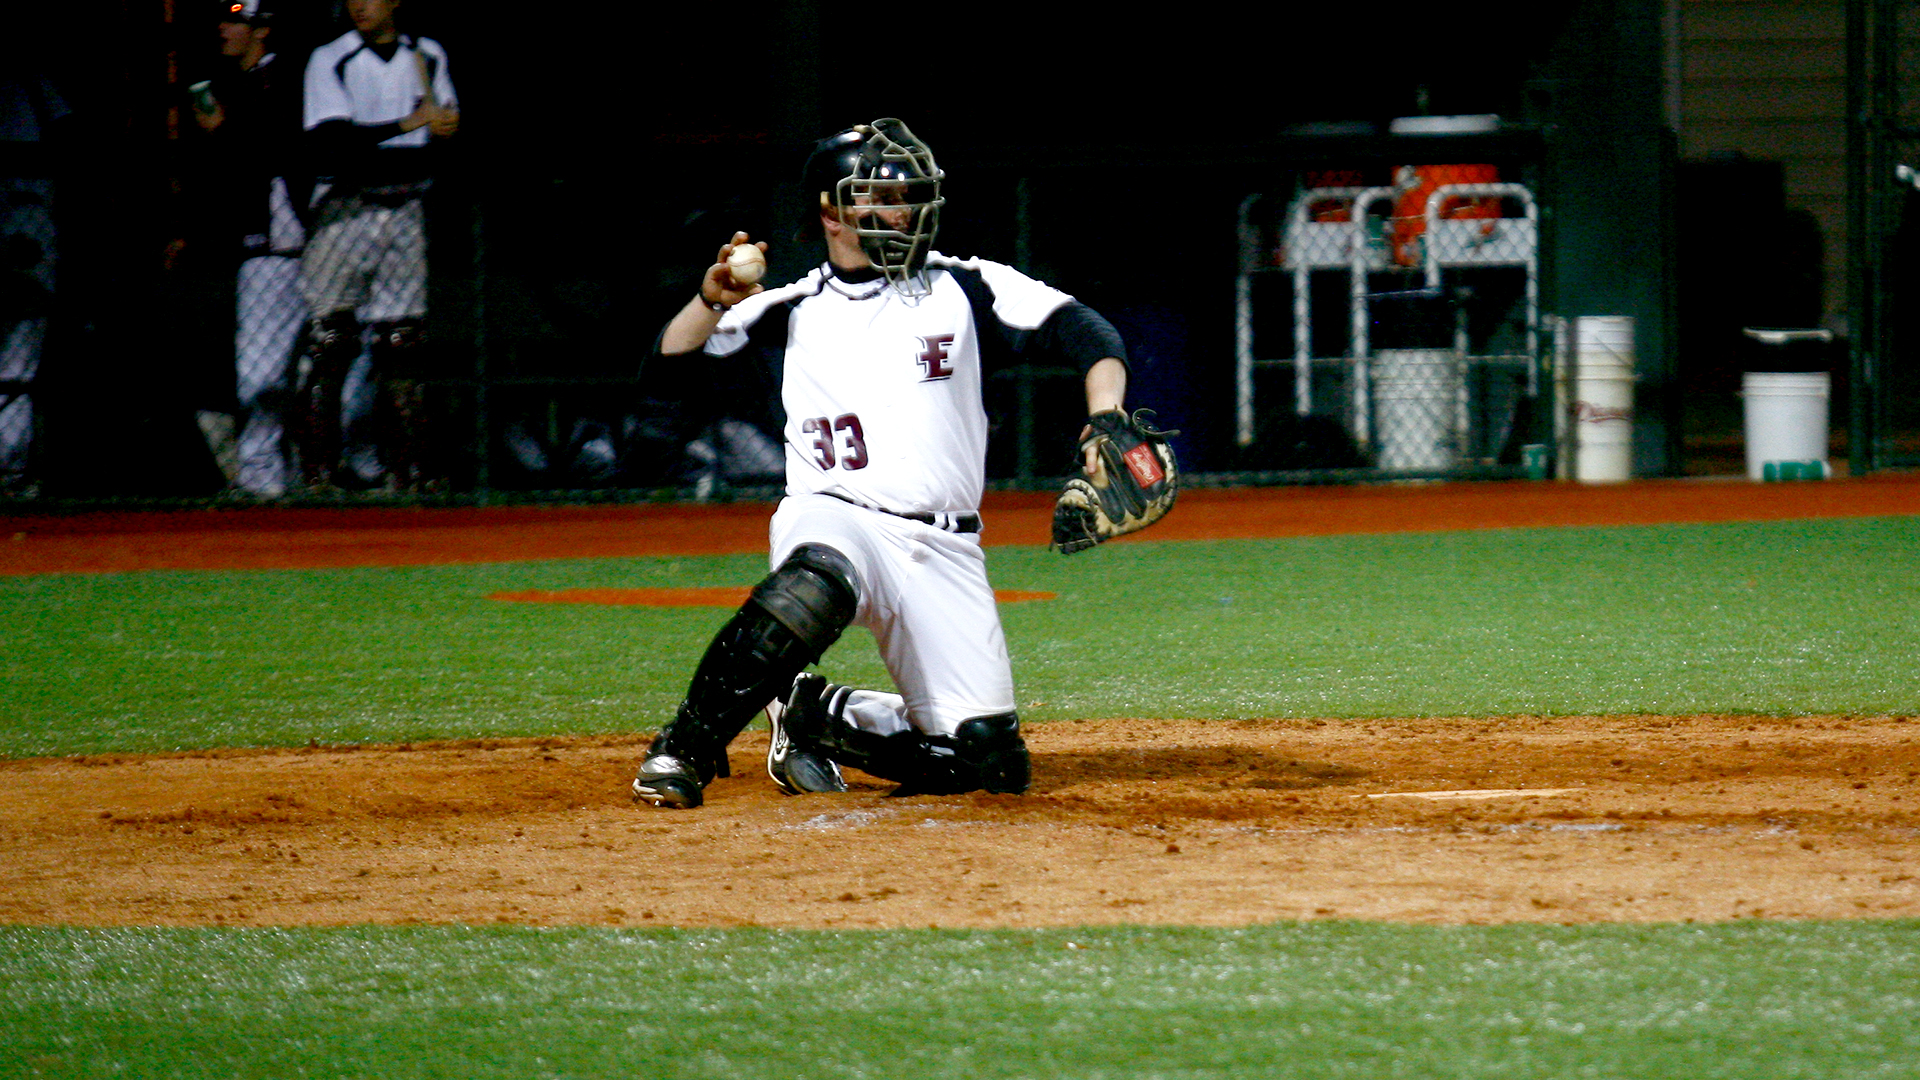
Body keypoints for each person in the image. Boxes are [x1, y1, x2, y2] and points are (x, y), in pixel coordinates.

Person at [631, 118, 1130, 809]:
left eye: (908, 195)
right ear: (830, 210)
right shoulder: (791, 306)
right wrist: (711, 298)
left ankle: (814, 713)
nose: (904, 210)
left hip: (944, 550)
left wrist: (1105, 420)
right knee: (816, 586)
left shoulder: (966, 287)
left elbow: (1089, 333)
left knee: (986, 764)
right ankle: (681, 747)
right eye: (882, 196)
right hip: (839, 515)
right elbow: (665, 371)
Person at [297, 0, 456, 490]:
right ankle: (320, 475)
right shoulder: (331, 56)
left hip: (405, 206)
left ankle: (409, 472)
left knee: (402, 344)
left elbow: (444, 127)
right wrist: (407, 127)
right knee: (331, 342)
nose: (358, 5)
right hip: (345, 206)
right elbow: (332, 146)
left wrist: (443, 126)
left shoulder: (425, 53)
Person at [190, 0, 308, 498]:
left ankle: (309, 472)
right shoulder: (226, 87)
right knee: (260, 374)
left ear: (261, 31)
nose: (224, 27)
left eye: (236, 19)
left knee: (319, 370)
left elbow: (284, 142)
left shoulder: (292, 77)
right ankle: (264, 477)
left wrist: (226, 131)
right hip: (259, 246)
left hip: (312, 239)